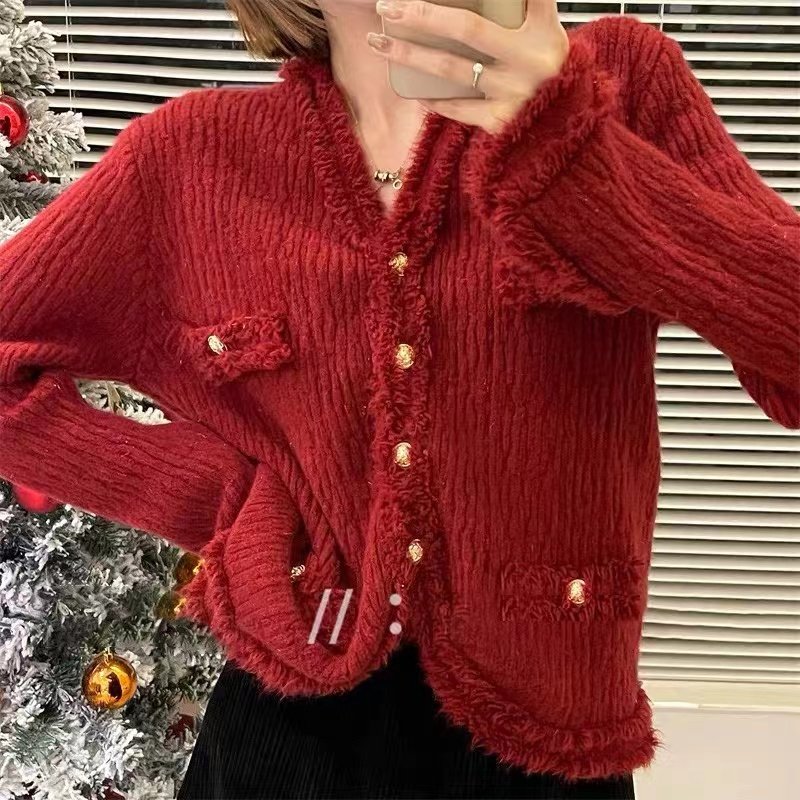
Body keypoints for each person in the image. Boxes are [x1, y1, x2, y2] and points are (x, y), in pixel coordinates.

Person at [0, 1, 796, 798]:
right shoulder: (192, 158)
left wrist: (580, 158)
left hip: (547, 747)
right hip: (286, 739)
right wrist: (229, 497)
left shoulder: (619, 86)